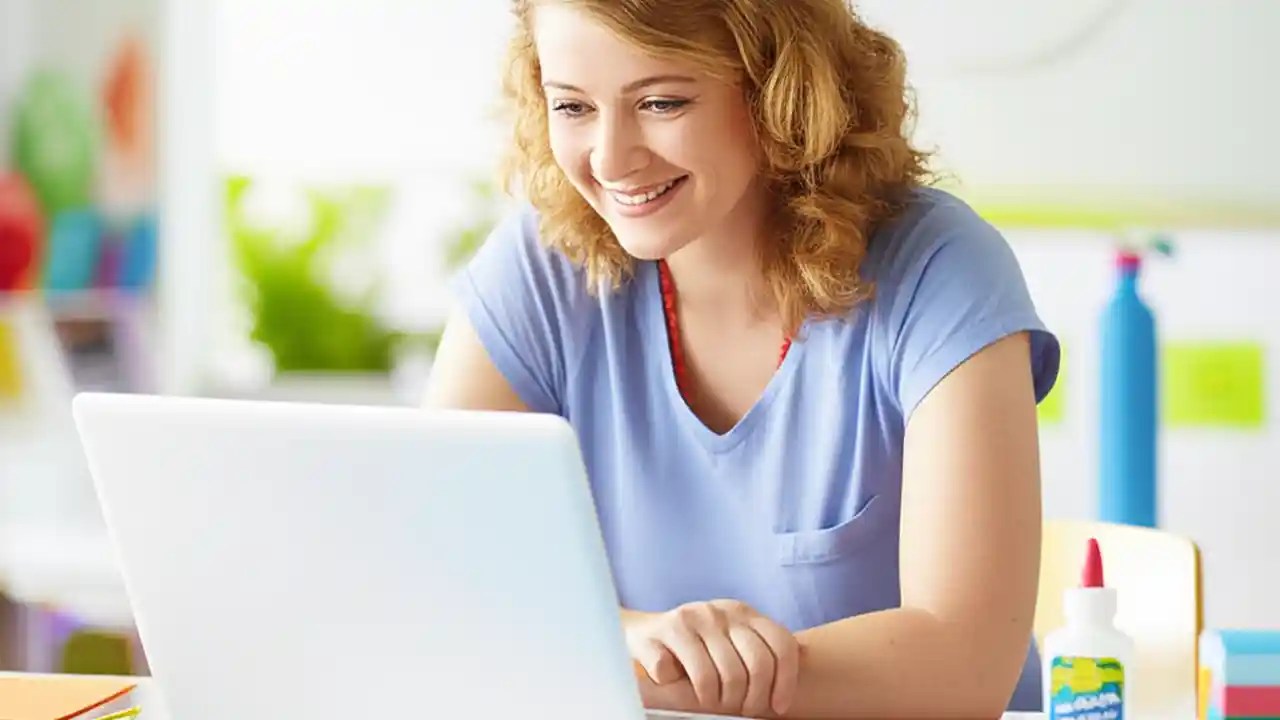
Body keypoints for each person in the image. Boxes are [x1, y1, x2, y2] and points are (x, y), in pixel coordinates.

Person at [425, 1, 1061, 717]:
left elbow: (964, 666)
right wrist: (631, 642)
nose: (609, 158)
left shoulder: (941, 271)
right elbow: (434, 581)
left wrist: (611, 662)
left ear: (781, 91)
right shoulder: (544, 267)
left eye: (662, 102)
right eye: (572, 106)